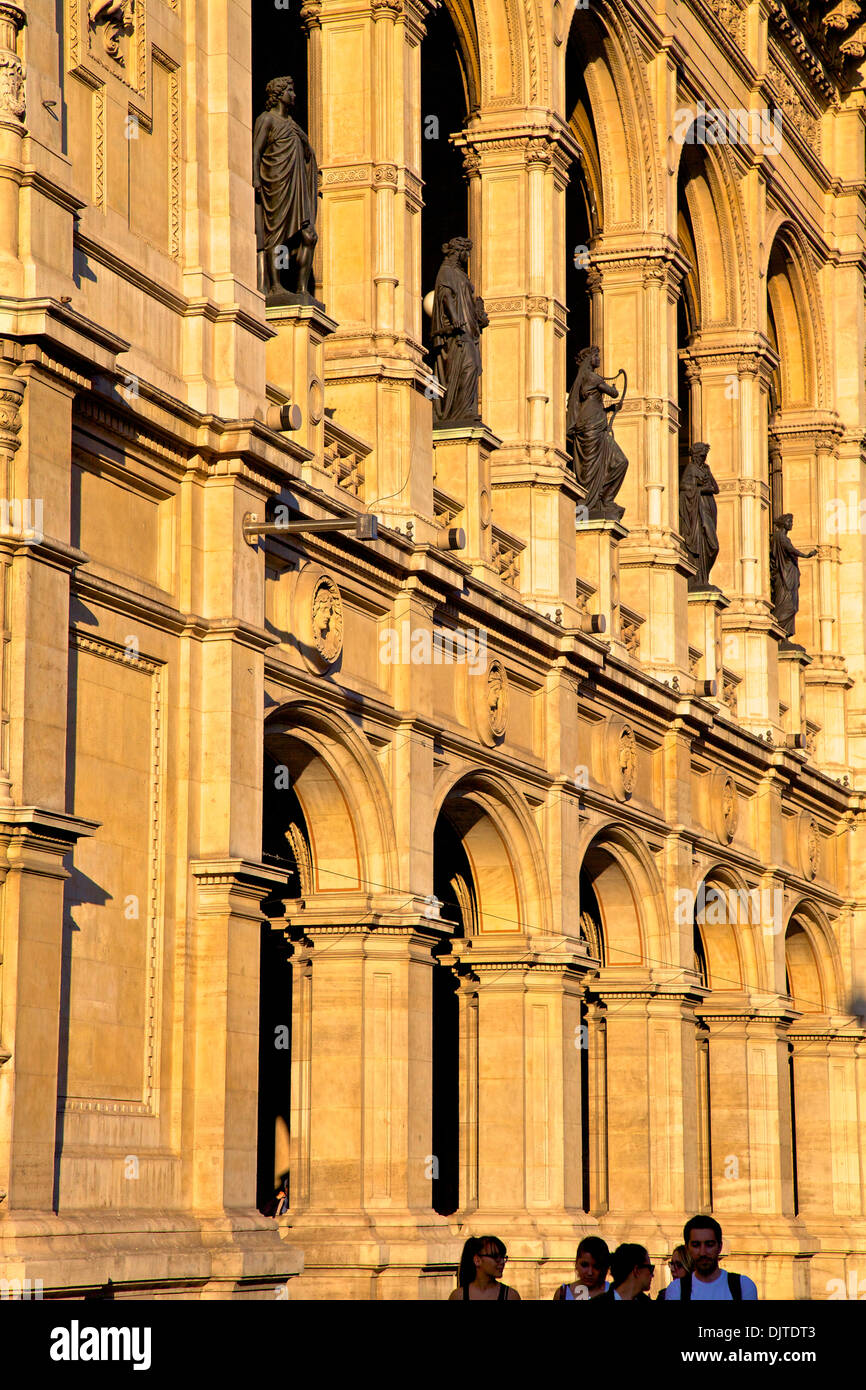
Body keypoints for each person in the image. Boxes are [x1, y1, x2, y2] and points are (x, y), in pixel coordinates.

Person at [566, 345, 629, 519]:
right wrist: (613, 390)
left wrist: (608, 409)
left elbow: (592, 403)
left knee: (620, 462)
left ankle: (605, 499)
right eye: (596, 356)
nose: (599, 359)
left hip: (597, 427)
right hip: (590, 429)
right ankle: (586, 507)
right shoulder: (591, 377)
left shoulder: (588, 378)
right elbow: (614, 392)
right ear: (589, 358)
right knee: (589, 469)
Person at [662, 1217, 758, 1301]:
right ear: (687, 1248)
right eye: (696, 1245)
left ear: (720, 1247)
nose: (703, 1252)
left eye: (709, 1245)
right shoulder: (677, 1289)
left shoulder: (743, 1286)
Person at [448, 1235, 520, 1301]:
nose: (502, 1262)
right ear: (477, 1260)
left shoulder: (510, 1296)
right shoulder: (458, 1296)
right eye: (495, 1257)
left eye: (503, 1257)